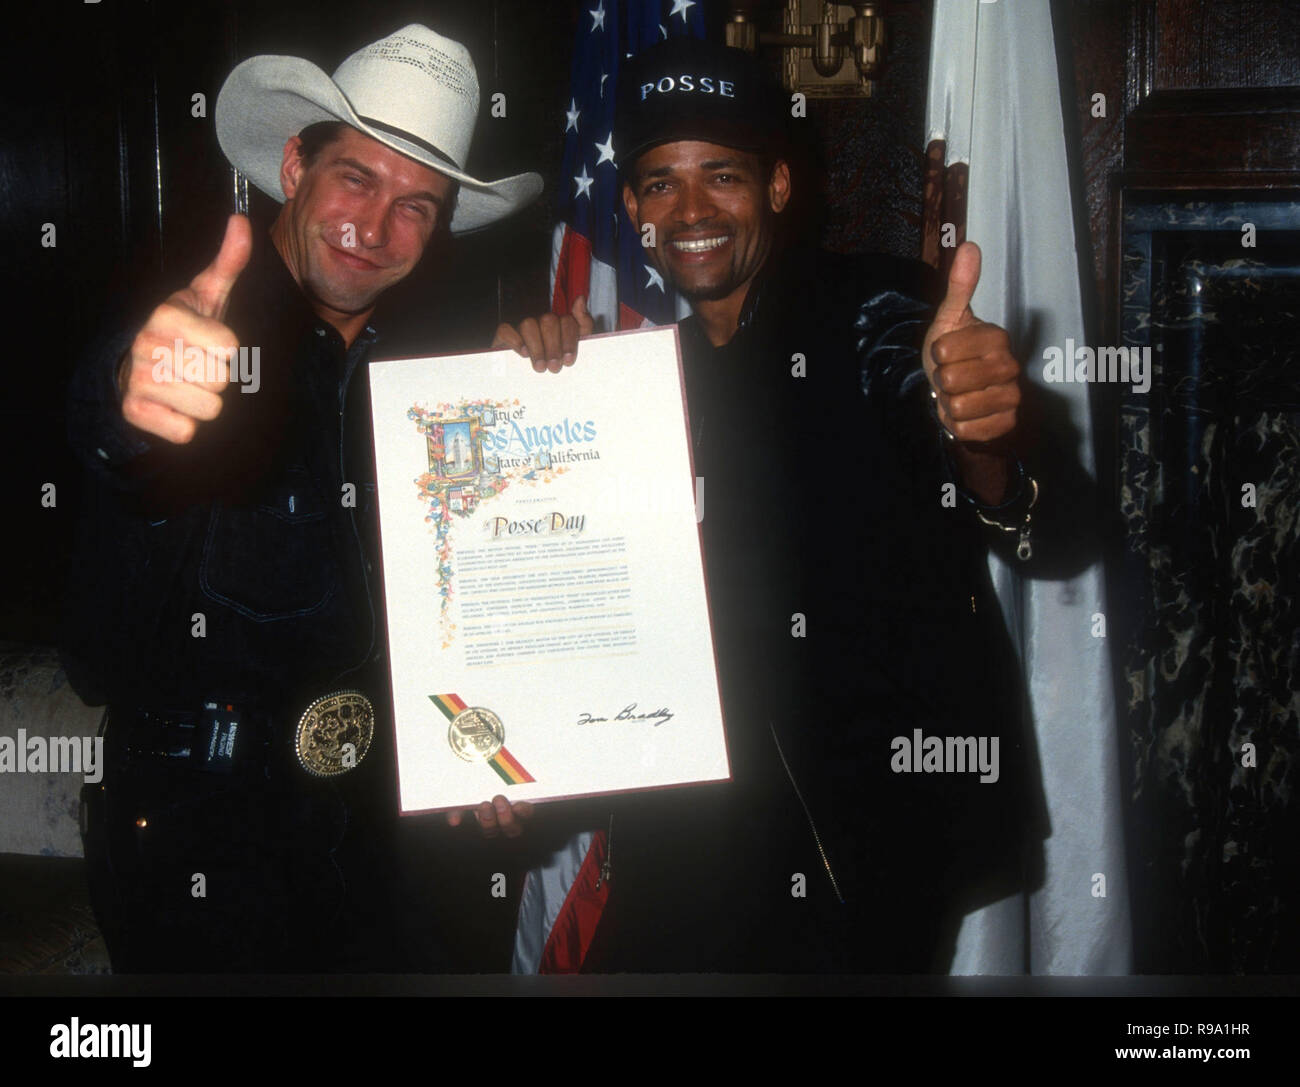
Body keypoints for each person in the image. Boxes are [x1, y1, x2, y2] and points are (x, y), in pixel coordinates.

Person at [61, 24, 590, 973]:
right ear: (294, 165)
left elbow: (477, 617)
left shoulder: (444, 377)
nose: (375, 228)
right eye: (356, 178)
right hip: (205, 853)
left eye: (416, 205)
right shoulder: (189, 328)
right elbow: (117, 419)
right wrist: (131, 413)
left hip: (398, 859)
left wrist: (497, 750)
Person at [544, 37, 1053, 973]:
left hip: (859, 855)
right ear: (632, 208)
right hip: (687, 838)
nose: (691, 210)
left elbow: (1022, 507)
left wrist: (982, 434)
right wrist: (530, 395)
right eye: (660, 184)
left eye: (722, 175)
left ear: (777, 187)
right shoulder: (639, 381)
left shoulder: (876, 308)